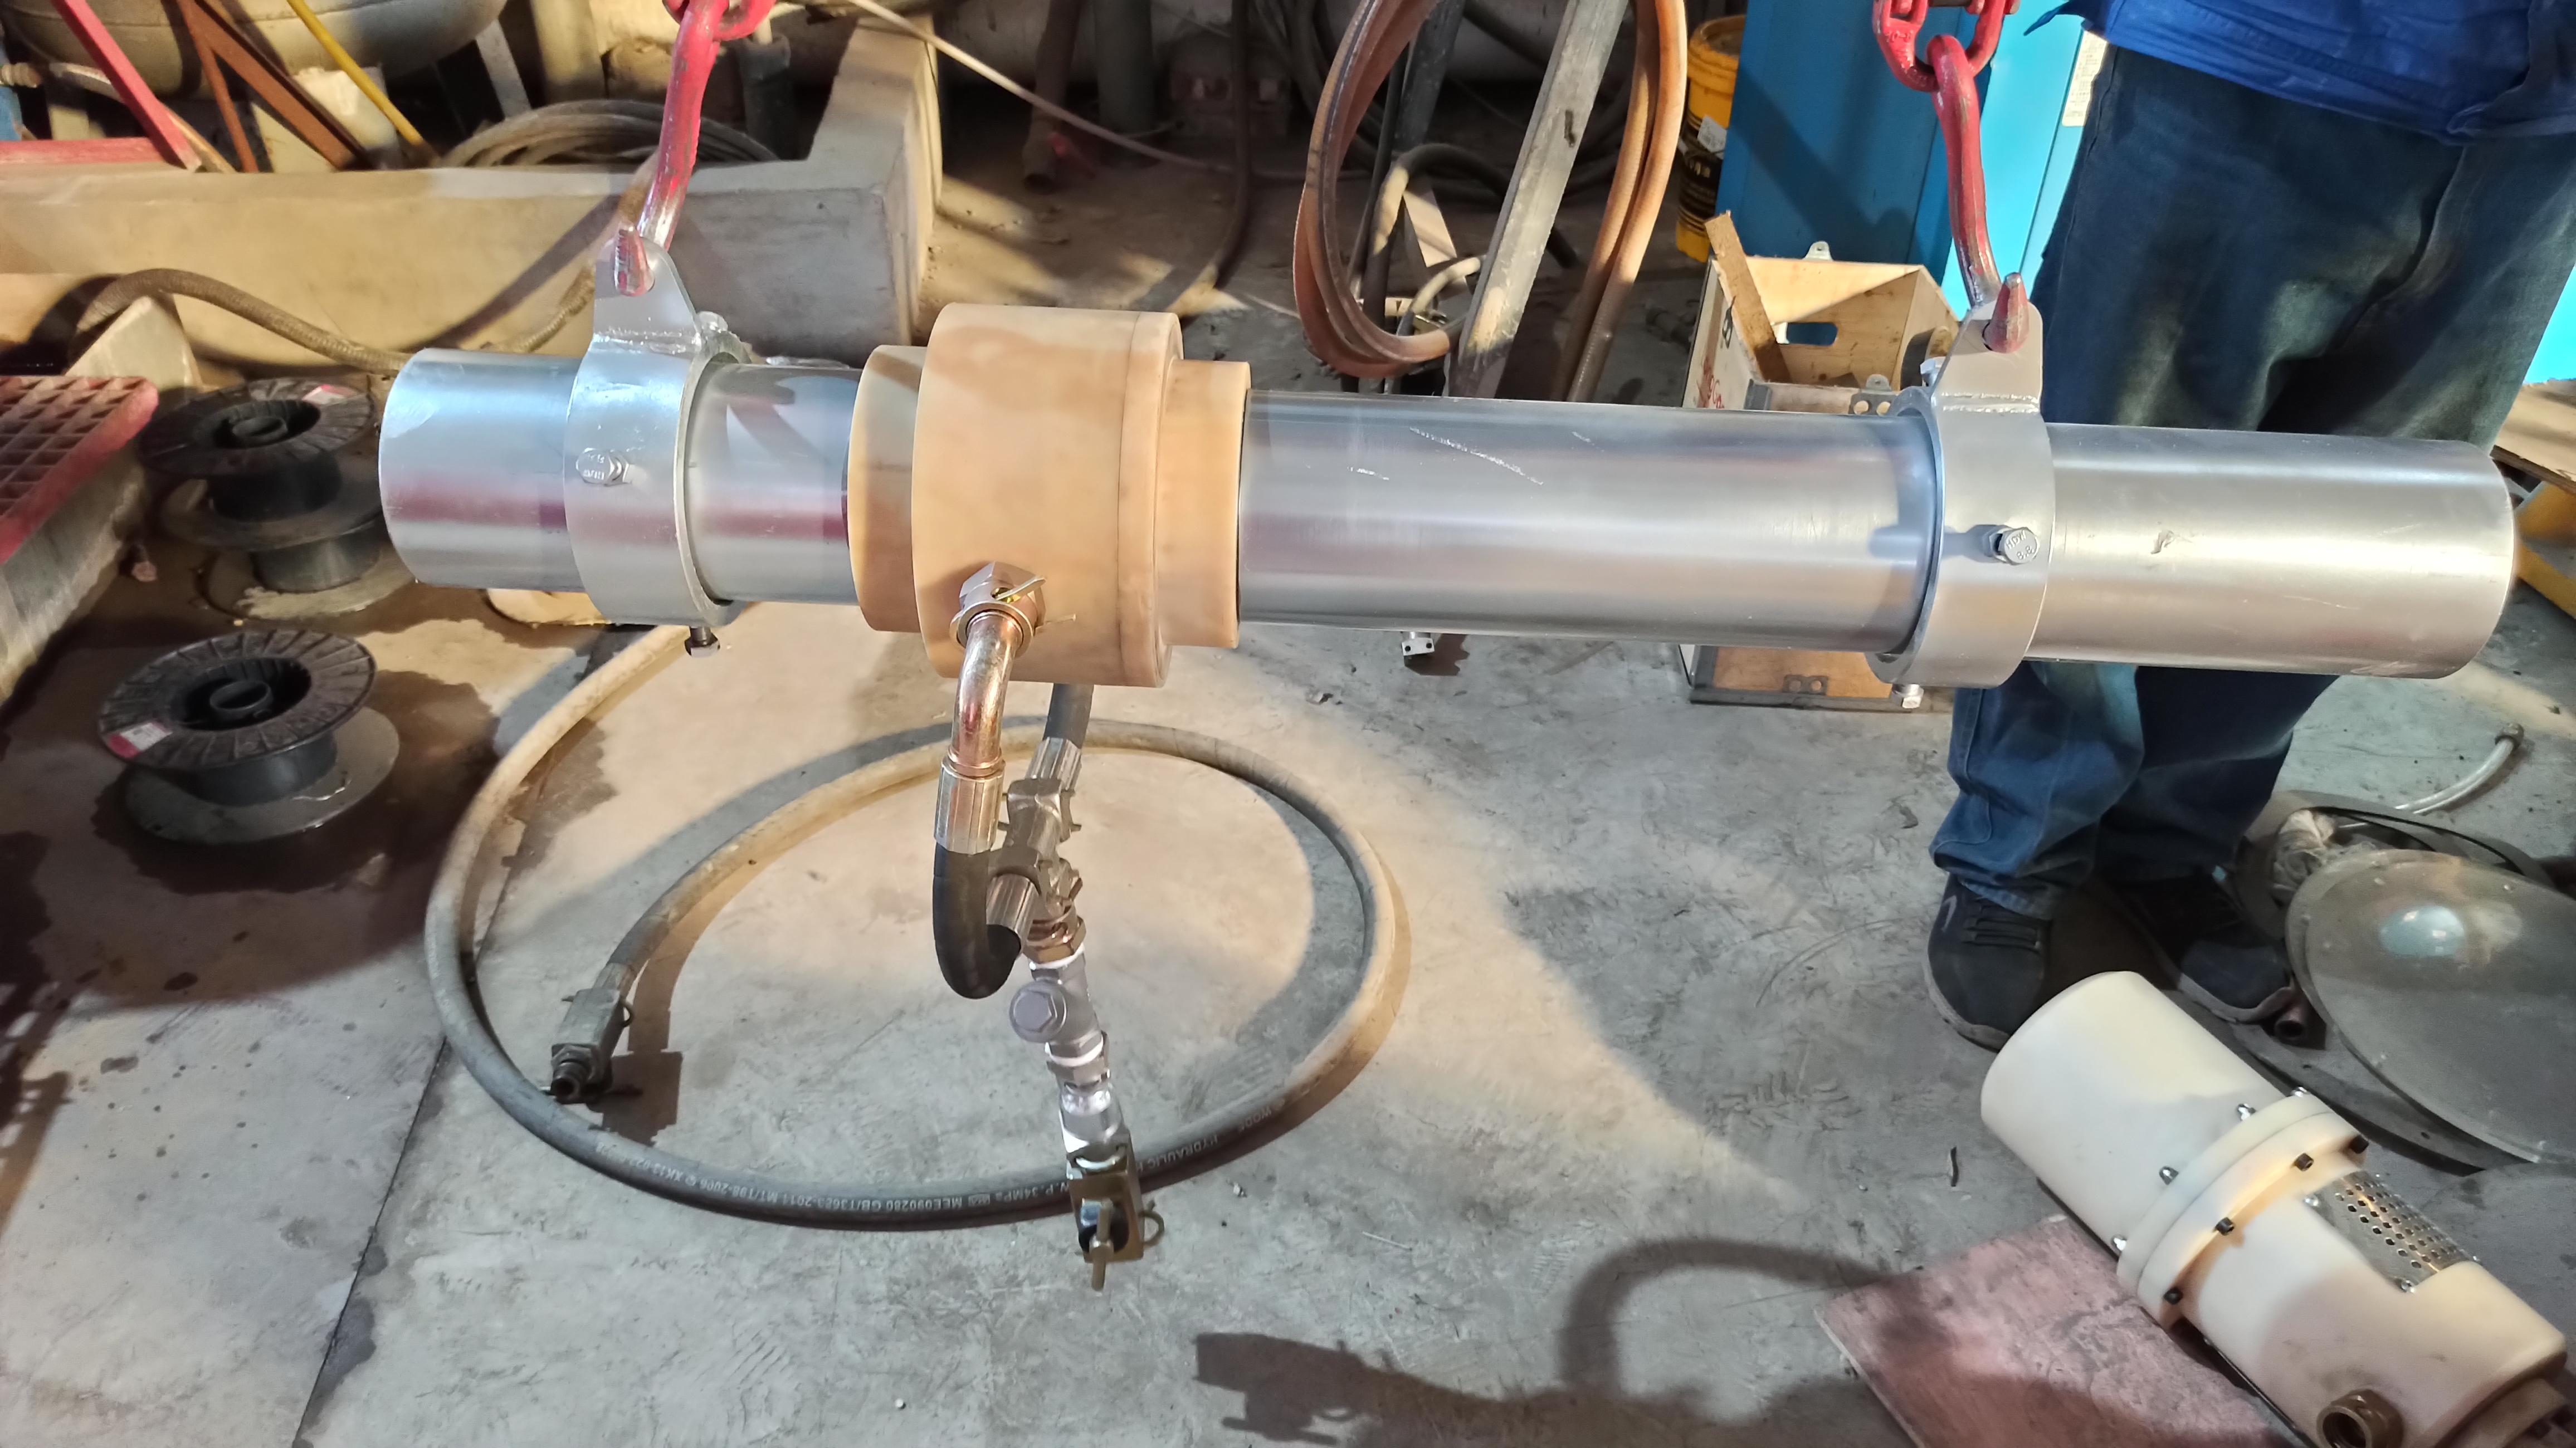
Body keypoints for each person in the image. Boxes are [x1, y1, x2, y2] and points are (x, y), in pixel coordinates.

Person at [1924, 2, 2576, 1048]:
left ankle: (2172, 845)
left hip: (2539, 137)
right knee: (2095, 515)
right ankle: (2014, 856)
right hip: (2254, 62)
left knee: (2349, 550)